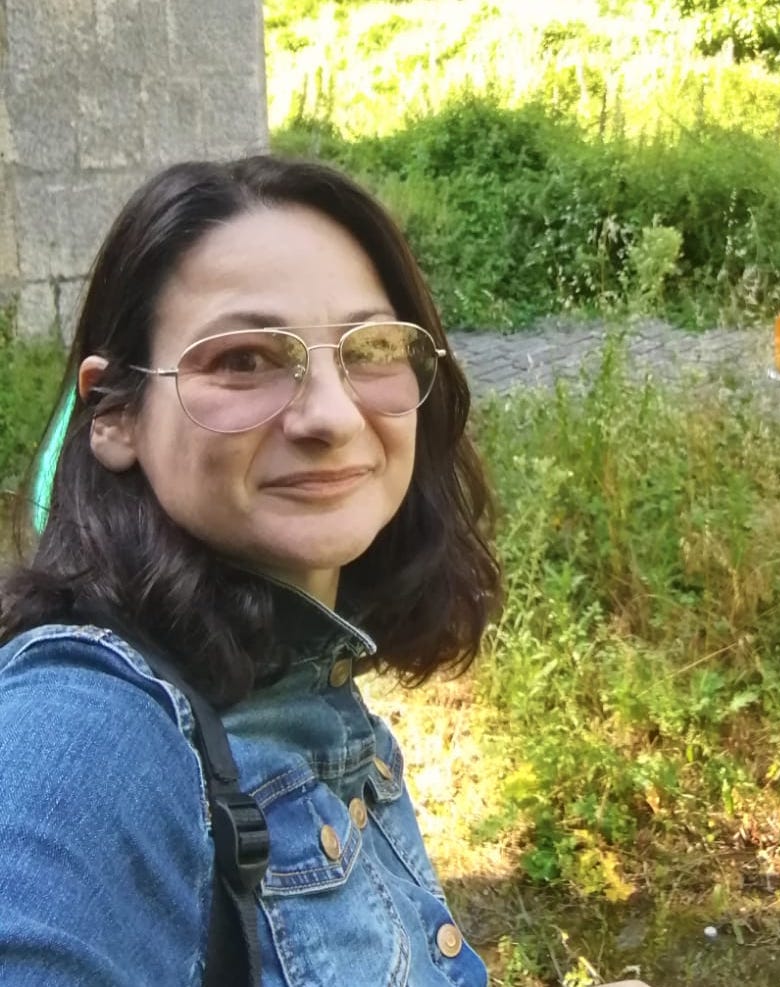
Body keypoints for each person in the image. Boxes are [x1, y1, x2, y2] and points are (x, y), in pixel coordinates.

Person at [0, 155, 649, 987]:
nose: (333, 416)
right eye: (242, 360)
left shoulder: (294, 683)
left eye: (371, 348)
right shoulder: (87, 725)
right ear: (116, 411)